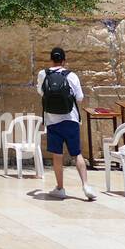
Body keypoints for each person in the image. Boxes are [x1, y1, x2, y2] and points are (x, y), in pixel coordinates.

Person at [36, 47, 97, 201]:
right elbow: (80, 98)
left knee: (57, 155)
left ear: (51, 59)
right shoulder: (72, 76)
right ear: (63, 60)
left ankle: (60, 188)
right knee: (77, 154)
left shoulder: (43, 74)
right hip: (71, 119)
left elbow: (42, 93)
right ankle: (86, 186)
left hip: (52, 120)